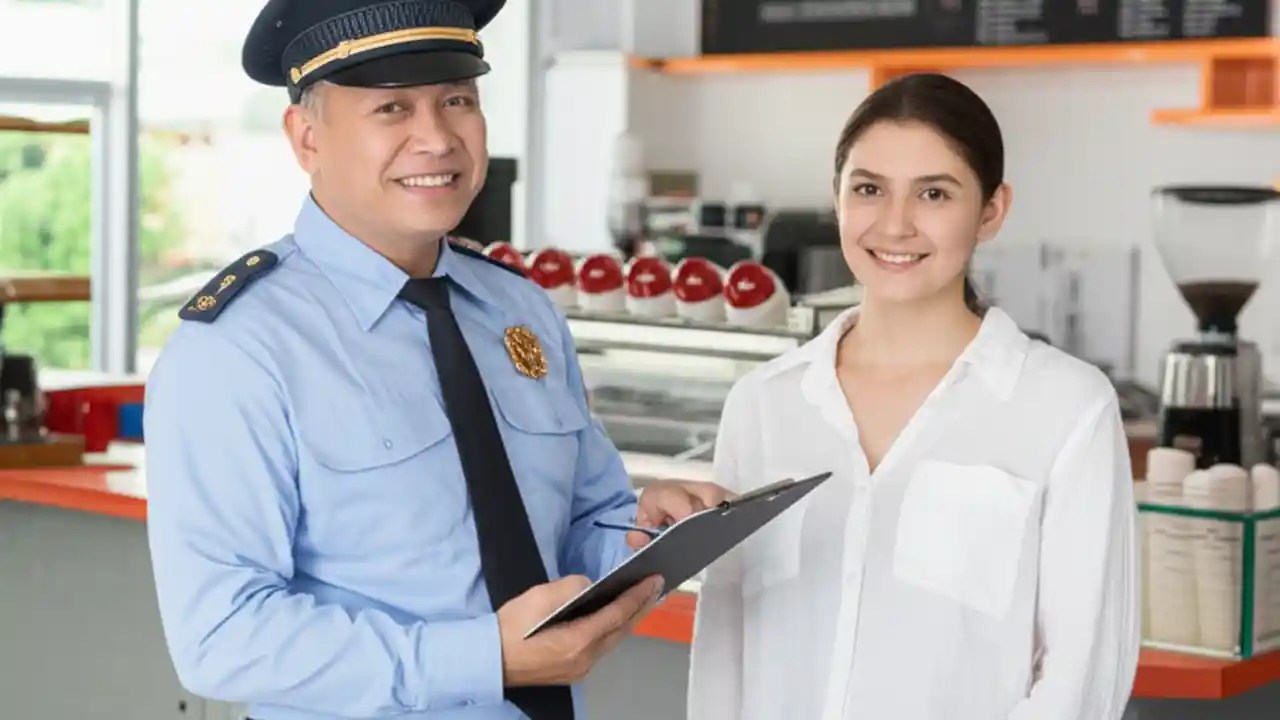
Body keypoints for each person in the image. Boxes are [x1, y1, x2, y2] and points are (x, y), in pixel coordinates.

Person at [143, 2, 727, 719]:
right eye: (392, 109)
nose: (437, 138)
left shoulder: (521, 310)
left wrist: (648, 532)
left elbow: (577, 525)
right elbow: (223, 636)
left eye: (457, 100)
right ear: (306, 137)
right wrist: (486, 658)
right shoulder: (239, 348)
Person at [683, 73, 1140, 719]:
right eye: (868, 189)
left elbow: (1081, 677)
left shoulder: (1066, 407)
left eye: (933, 193)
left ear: (991, 209)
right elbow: (726, 651)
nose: (895, 225)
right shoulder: (764, 402)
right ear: (836, 199)